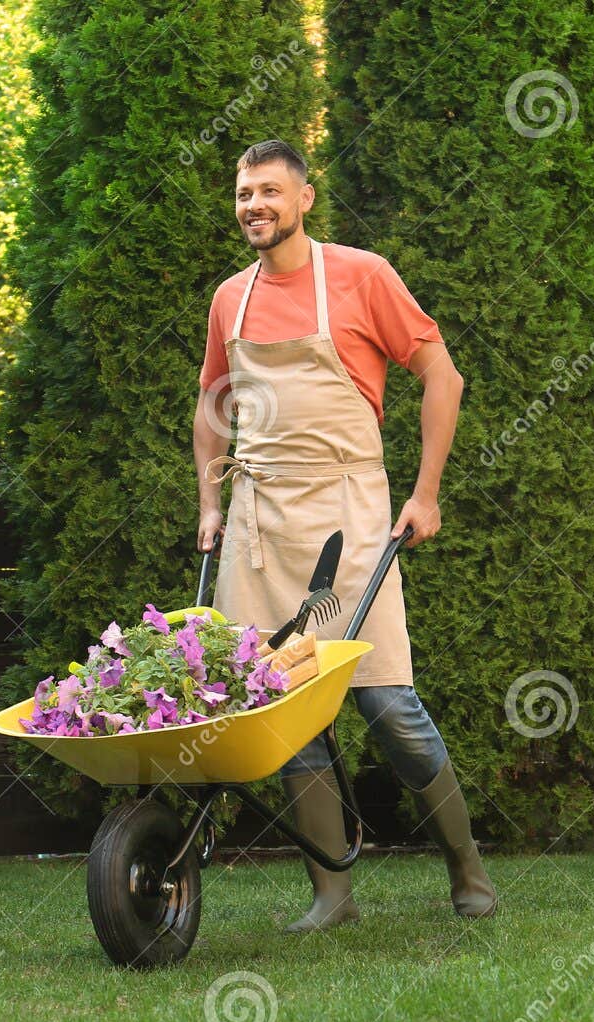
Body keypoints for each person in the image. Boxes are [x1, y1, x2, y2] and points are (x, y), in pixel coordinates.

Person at [194, 139, 496, 931]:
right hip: (258, 525)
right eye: (242, 193)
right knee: (280, 706)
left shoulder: (363, 275)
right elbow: (211, 405)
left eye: (268, 191)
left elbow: (443, 375)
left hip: (349, 518)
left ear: (304, 198)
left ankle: (467, 866)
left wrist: (424, 494)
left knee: (388, 701)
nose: (253, 205)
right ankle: (333, 893)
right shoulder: (232, 297)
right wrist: (209, 502)